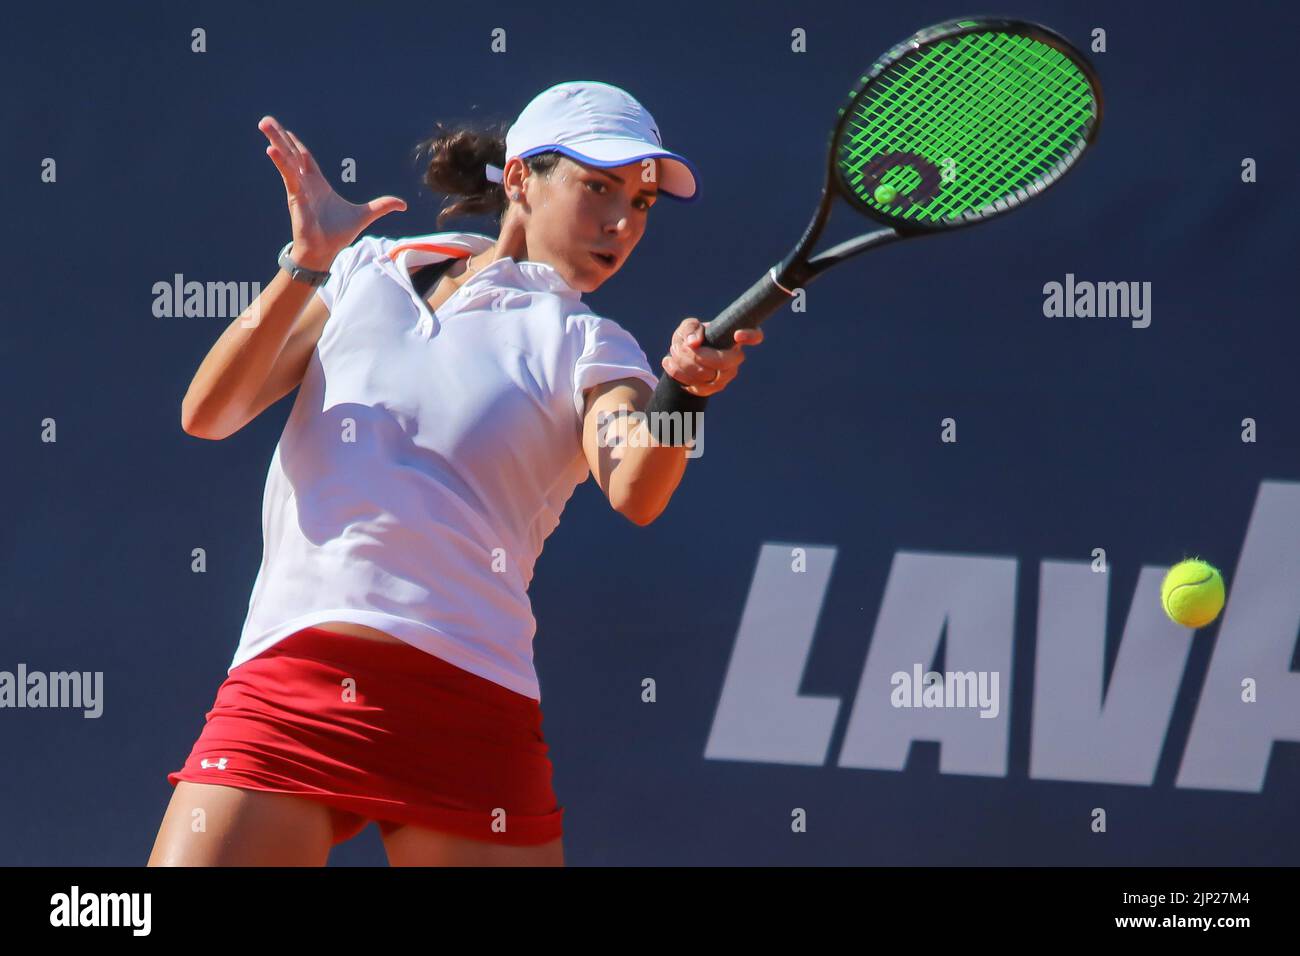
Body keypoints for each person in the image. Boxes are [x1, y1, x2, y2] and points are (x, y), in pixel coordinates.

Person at [149, 81, 763, 867]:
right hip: (291, 681)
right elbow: (210, 412)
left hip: (466, 704)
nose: (621, 223)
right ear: (518, 180)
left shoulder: (593, 346)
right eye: (599, 188)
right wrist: (306, 263)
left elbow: (637, 491)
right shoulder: (368, 270)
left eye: (642, 203)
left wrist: (684, 394)